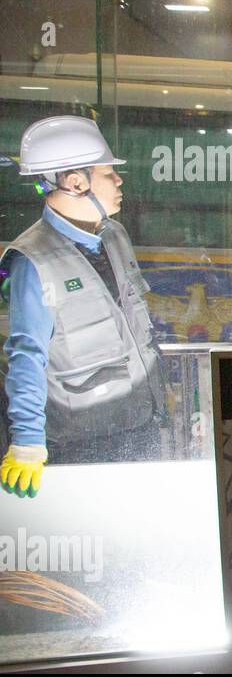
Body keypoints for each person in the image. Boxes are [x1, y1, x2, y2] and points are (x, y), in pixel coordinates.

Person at [0, 115, 167, 496]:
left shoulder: (114, 236)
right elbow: (26, 356)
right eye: (109, 173)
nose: (119, 181)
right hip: (82, 444)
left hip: (141, 426)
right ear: (76, 182)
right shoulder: (33, 260)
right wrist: (26, 442)